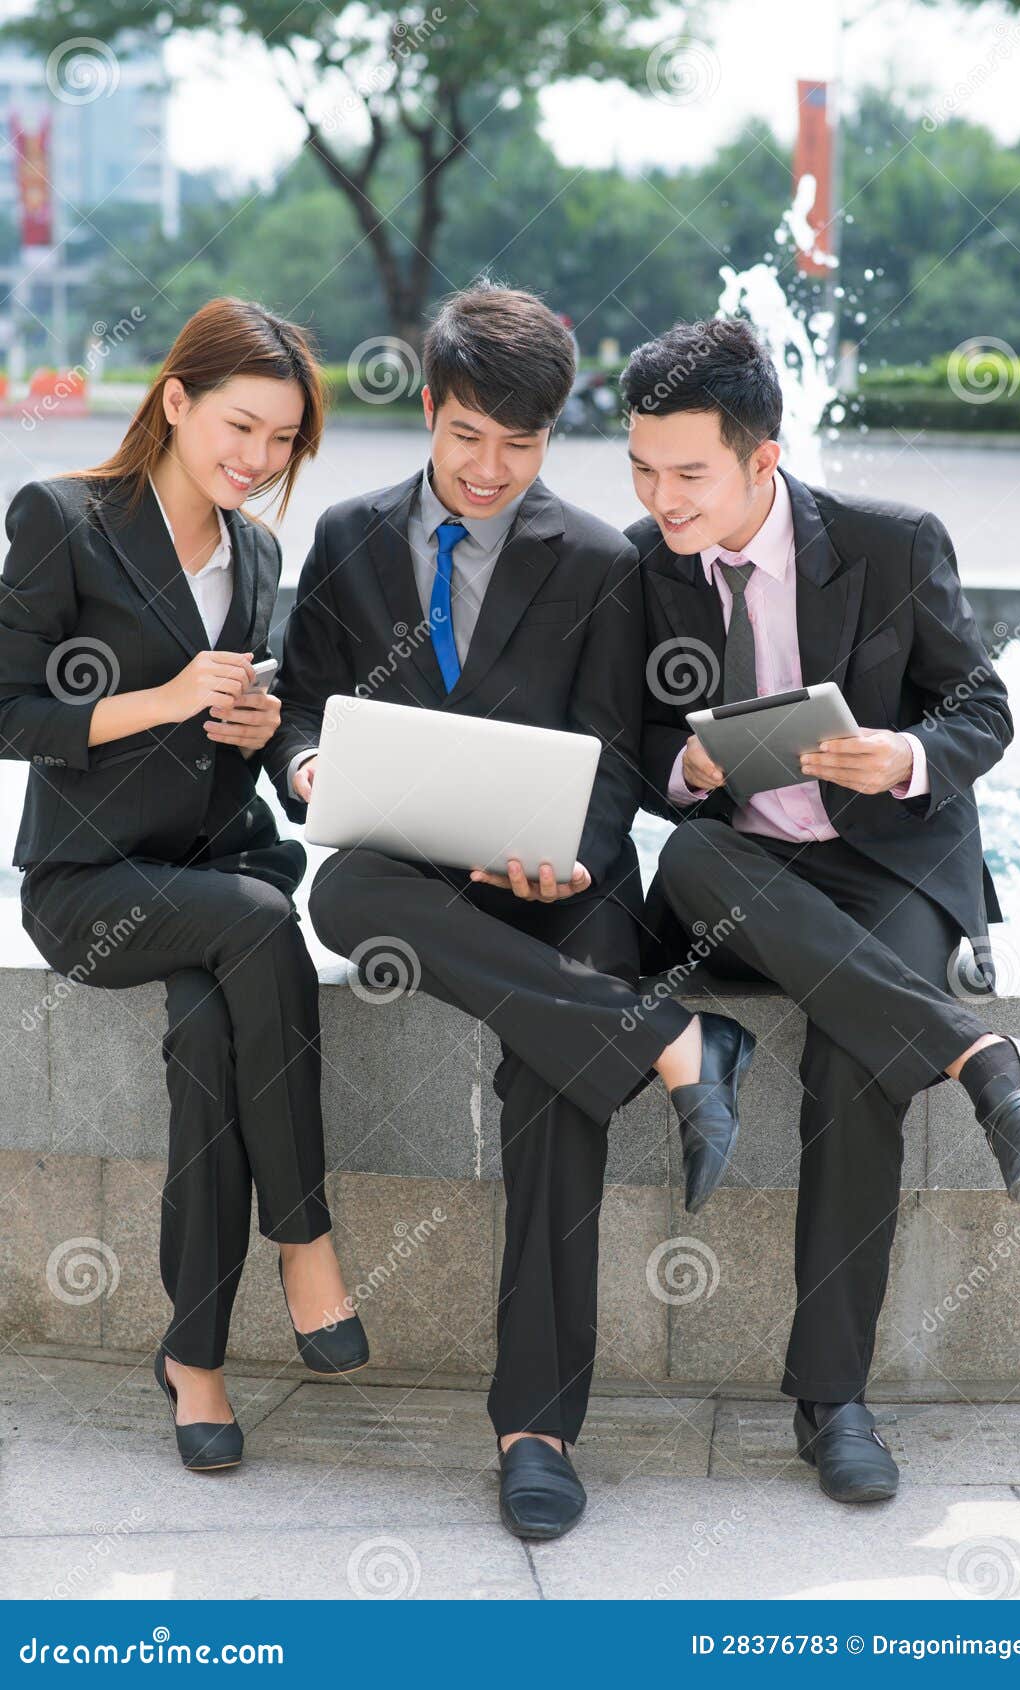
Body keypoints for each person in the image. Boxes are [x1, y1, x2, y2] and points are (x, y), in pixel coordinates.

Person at [265, 282, 751, 1541]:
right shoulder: (349, 536)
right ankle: (662, 1035)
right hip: (412, 870)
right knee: (340, 885)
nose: (489, 469)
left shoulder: (598, 559)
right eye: (468, 435)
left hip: (558, 885)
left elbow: (623, 756)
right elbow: (307, 702)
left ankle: (536, 1427)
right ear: (429, 407)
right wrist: (307, 766)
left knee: (549, 1082)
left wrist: (573, 863)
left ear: (551, 439)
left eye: (520, 446)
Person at [624, 315, 1020, 1506]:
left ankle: (834, 1400)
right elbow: (622, 746)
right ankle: (981, 1058)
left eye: (689, 473)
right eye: (643, 469)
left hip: (892, 863)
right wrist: (686, 770)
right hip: (747, 871)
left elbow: (984, 707)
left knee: (854, 1050)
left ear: (762, 458)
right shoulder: (639, 566)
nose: (663, 498)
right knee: (692, 864)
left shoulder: (891, 543)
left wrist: (907, 756)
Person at [0, 297, 369, 1475]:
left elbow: (253, 730)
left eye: (281, 444)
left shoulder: (259, 553)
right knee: (261, 926)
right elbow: (8, 712)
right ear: (174, 399)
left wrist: (269, 732)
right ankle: (305, 1240)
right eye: (241, 427)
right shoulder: (63, 519)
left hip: (217, 874)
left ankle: (194, 1357)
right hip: (92, 880)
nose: (257, 462)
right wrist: (156, 701)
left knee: (213, 1040)